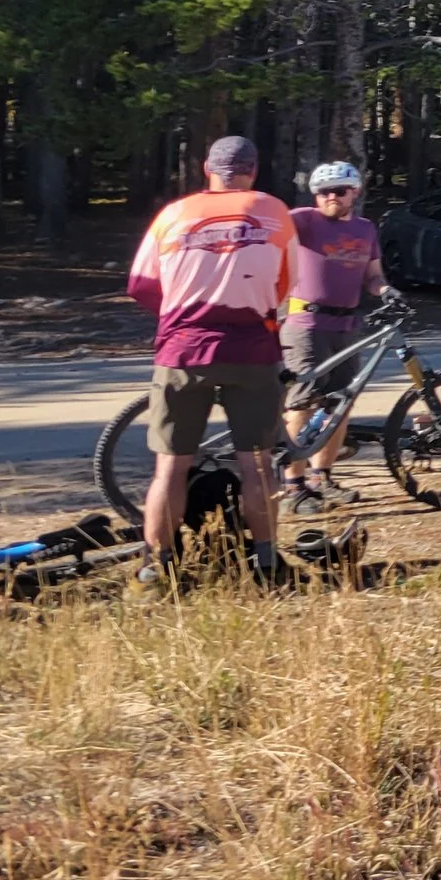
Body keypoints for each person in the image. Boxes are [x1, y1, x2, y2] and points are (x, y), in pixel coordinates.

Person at [124, 135, 295, 584]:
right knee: (257, 463)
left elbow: (141, 285)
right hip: (253, 349)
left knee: (171, 465)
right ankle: (267, 563)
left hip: (183, 348)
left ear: (207, 168)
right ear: (254, 170)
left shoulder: (173, 215)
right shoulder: (275, 213)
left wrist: (182, 308)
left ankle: (156, 569)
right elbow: (286, 287)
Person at [279, 160, 404, 516]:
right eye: (323, 192)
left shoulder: (365, 229)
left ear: (355, 192)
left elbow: (373, 276)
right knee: (303, 402)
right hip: (306, 323)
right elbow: (270, 229)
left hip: (347, 326)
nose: (331, 197)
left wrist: (386, 291)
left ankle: (323, 478)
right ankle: (292, 485)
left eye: (339, 191)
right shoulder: (303, 220)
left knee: (340, 403)